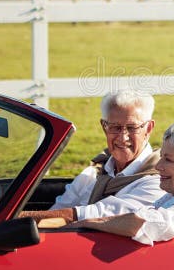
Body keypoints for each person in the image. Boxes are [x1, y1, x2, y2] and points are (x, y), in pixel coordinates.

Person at [63, 109, 174, 245]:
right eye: (161, 157)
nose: (158, 166)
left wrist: (86, 223)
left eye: (168, 160)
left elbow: (150, 224)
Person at [22, 89, 165, 224]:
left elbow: (100, 214)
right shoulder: (93, 173)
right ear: (104, 127)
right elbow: (57, 211)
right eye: (115, 127)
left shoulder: (160, 179)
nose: (123, 137)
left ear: (148, 128)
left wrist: (21, 217)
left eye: (132, 128)